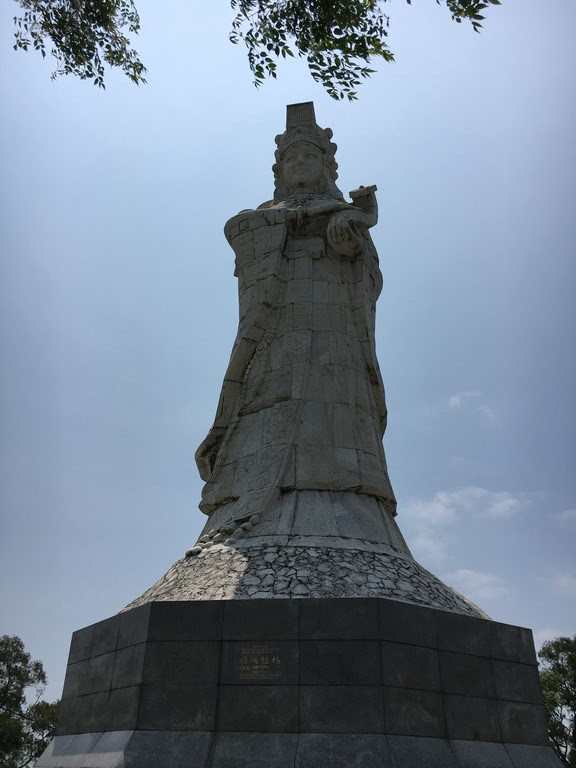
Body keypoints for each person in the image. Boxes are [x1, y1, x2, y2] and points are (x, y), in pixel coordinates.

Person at [193, 102, 401, 551]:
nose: (301, 165)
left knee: (338, 399)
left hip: (334, 326)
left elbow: (365, 268)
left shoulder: (338, 211)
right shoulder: (262, 216)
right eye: (293, 159)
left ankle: (346, 497)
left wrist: (352, 225)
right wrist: (303, 223)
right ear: (280, 170)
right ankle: (247, 498)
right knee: (265, 397)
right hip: (276, 324)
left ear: (327, 167)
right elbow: (242, 231)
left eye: (310, 157)